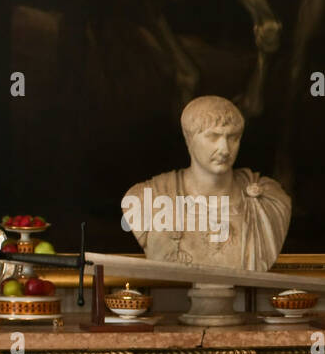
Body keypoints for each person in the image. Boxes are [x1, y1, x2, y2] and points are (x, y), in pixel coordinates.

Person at [122, 95, 291, 271]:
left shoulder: (270, 201)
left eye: (232, 138)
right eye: (213, 137)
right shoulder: (146, 198)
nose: (225, 149)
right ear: (189, 140)